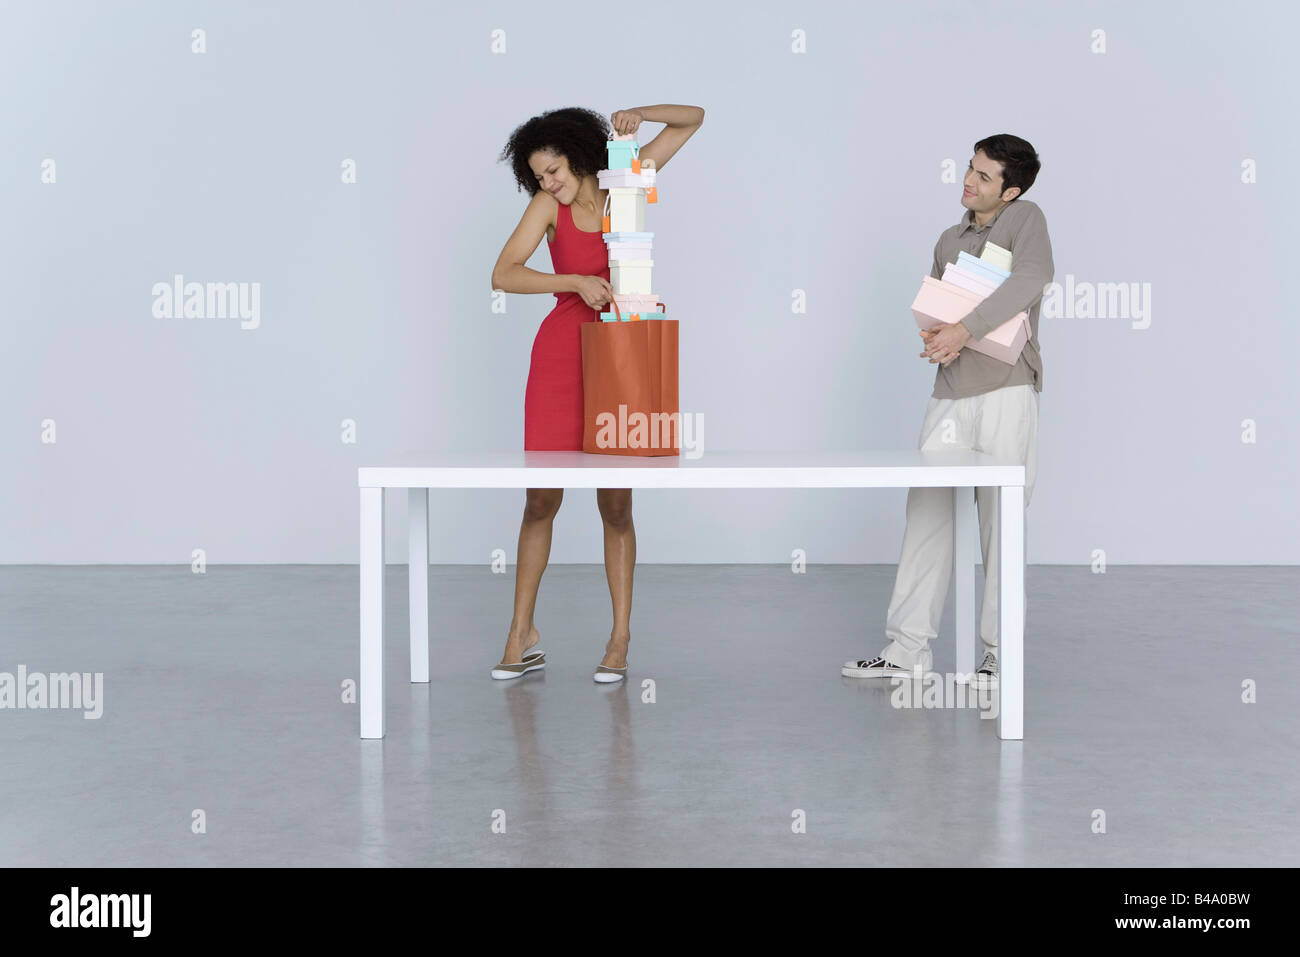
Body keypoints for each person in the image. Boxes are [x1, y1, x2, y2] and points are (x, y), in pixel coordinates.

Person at [490, 104, 705, 683]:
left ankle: (619, 636)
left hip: (623, 353)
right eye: (538, 177)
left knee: (615, 503)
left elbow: (694, 120)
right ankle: (521, 634)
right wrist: (574, 281)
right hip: (562, 354)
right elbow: (504, 273)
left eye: (554, 170)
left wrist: (642, 113)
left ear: (580, 156)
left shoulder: (627, 181)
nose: (549, 184)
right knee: (541, 499)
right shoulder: (547, 210)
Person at [843, 134, 1053, 689]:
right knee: (928, 516)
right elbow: (941, 305)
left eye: (984, 177)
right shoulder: (948, 237)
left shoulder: (1026, 218)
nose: (969, 182)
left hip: (1008, 389)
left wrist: (966, 327)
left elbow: (1032, 280)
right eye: (970, 170)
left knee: (1000, 525)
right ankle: (905, 651)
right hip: (951, 392)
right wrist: (944, 336)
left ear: (1010, 191)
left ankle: (999, 657)